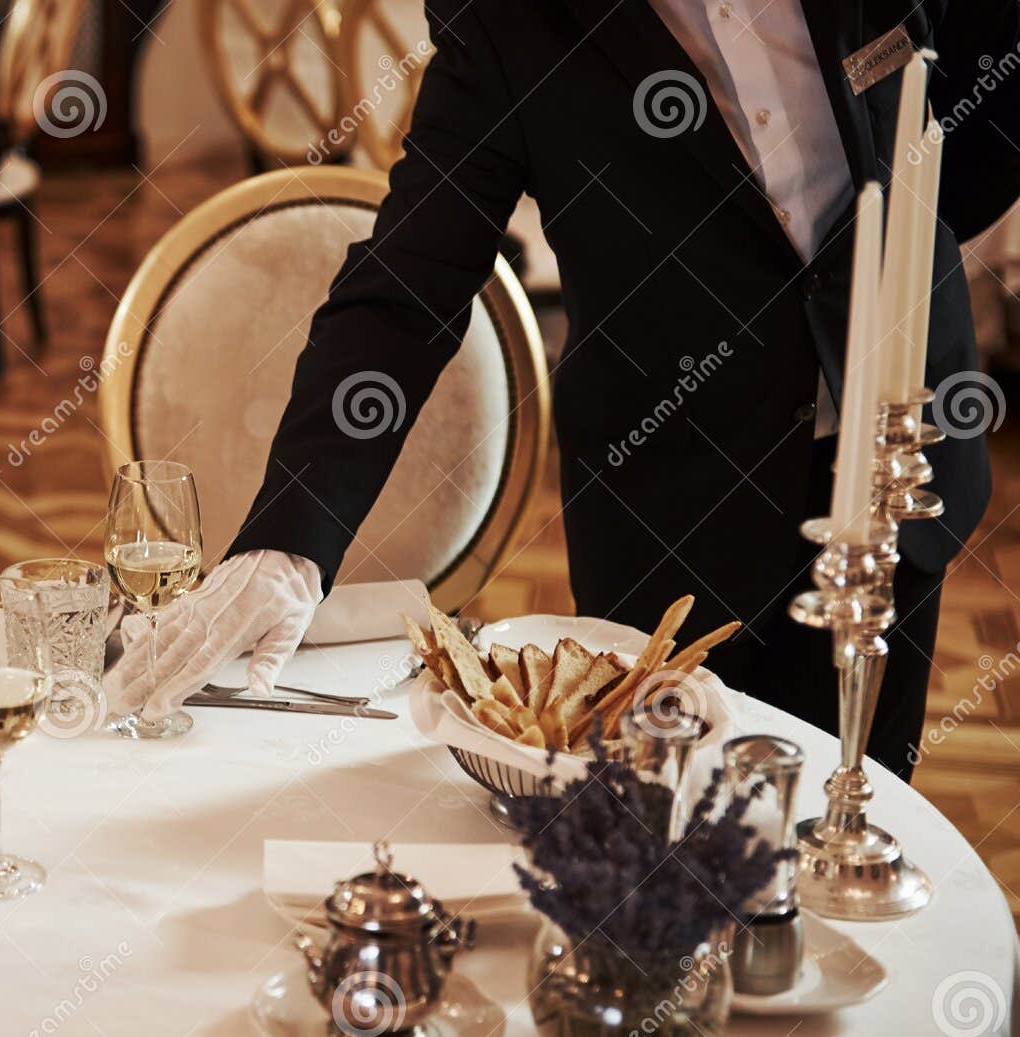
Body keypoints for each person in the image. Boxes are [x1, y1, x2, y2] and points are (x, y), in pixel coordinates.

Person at [107, 0, 1015, 779]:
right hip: (678, 514)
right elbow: (409, 284)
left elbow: (972, 143)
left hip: (901, 462)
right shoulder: (512, 16)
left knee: (858, 820)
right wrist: (287, 546)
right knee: (662, 879)